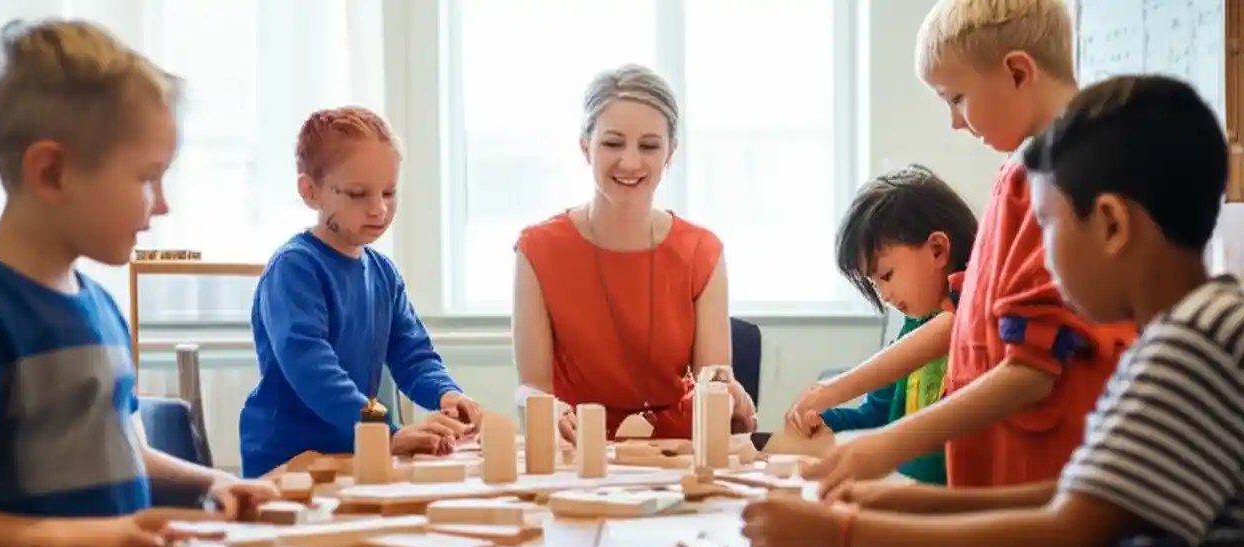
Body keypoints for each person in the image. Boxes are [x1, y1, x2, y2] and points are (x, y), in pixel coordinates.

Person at [744, 74, 1244, 547]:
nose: (1041, 259)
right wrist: (891, 506)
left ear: (1113, 225)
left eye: (1045, 227)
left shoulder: (1193, 342)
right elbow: (1078, 498)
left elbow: (1067, 533)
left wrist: (844, 533)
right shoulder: (1182, 334)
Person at [0, 19, 274, 547]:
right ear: (51, 171)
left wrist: (212, 482)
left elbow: (123, 449)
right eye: (148, 177)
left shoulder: (100, 308)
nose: (161, 205)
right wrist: (93, 542)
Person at [807, 0, 1134, 489]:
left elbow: (1031, 371)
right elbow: (962, 321)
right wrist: (841, 395)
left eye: (956, 98)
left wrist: (888, 443)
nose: (955, 123)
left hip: (1030, 478)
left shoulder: (1059, 180)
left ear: (1018, 72)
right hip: (997, 475)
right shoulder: (1024, 172)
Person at [513, 64, 756, 441]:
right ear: (585, 147)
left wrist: (728, 393)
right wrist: (543, 408)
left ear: (670, 152)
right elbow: (532, 387)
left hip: (676, 447)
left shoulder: (701, 250)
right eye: (612, 143)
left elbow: (713, 380)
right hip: (581, 449)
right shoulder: (538, 249)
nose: (630, 162)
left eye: (649, 145)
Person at [240, 107, 481, 478]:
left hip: (355, 454)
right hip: (290, 460)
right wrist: (384, 430)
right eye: (357, 194)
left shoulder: (382, 273)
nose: (379, 209)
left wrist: (447, 394)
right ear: (310, 191)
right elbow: (316, 373)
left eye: (389, 192)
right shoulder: (295, 268)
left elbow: (413, 355)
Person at [784, 165, 976, 485]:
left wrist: (830, 391)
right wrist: (826, 422)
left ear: (938, 249)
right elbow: (876, 416)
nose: (884, 294)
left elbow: (950, 328)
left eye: (886, 275)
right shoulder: (912, 327)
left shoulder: (975, 308)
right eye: (874, 284)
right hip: (905, 493)